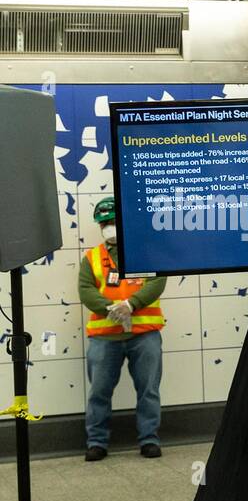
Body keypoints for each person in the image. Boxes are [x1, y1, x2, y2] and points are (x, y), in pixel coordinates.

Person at [78, 196, 167, 461]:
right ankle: (97, 442)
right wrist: (111, 309)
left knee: (148, 390)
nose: (109, 227)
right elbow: (85, 290)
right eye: (104, 223)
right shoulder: (92, 257)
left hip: (145, 334)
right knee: (99, 392)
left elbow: (158, 281)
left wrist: (132, 304)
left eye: (114, 221)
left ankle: (149, 439)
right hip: (105, 337)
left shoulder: (146, 250)